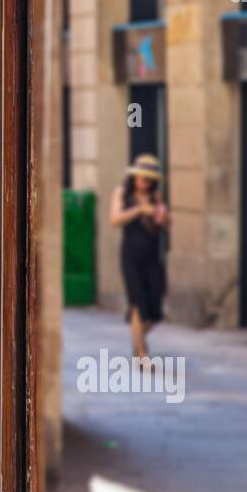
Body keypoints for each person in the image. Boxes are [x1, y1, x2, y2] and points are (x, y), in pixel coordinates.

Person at [109, 153, 168, 360]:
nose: (144, 183)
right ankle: (141, 353)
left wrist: (161, 217)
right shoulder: (122, 193)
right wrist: (139, 210)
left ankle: (137, 340)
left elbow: (165, 223)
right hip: (131, 255)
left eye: (148, 180)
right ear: (134, 177)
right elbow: (115, 219)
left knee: (155, 310)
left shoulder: (156, 195)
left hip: (152, 255)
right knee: (137, 303)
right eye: (141, 178)